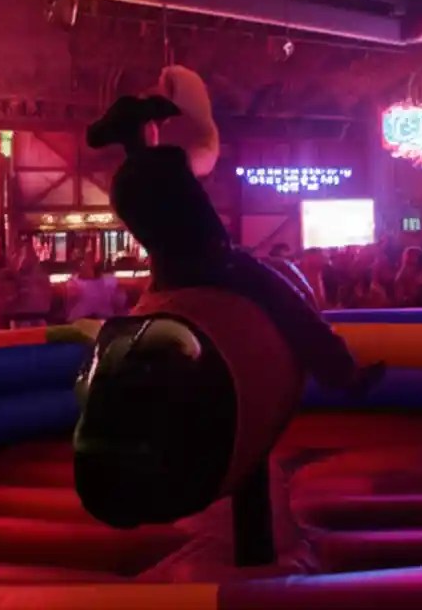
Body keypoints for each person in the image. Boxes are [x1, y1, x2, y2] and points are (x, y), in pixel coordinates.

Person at [73, 67, 375, 531]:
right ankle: (339, 371)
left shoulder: (122, 184)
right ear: (149, 128)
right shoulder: (168, 162)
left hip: (167, 277)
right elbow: (203, 165)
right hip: (212, 263)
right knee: (287, 299)